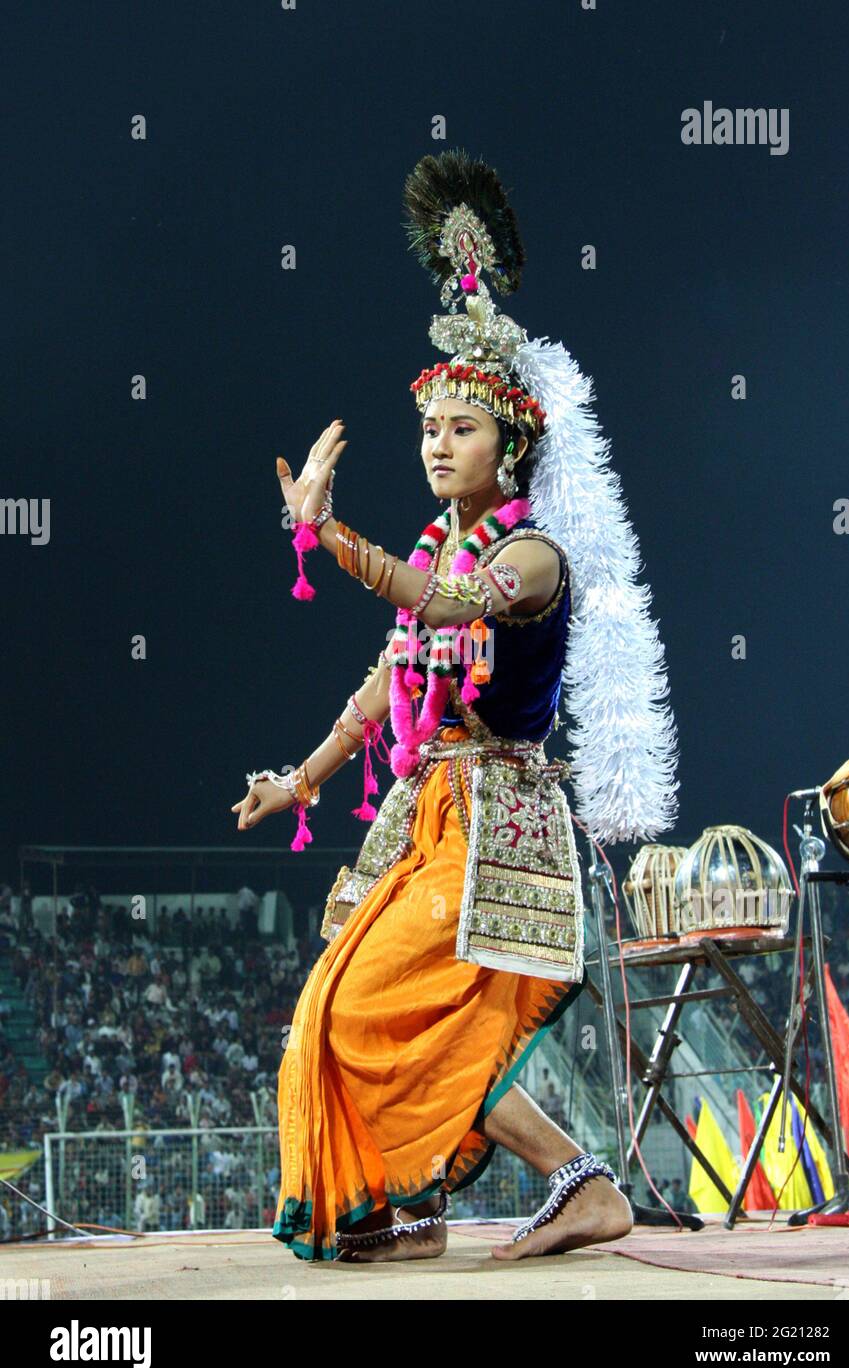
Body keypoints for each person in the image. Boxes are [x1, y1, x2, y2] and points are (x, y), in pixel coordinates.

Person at [231, 150, 679, 1264]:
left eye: (463, 426)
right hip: (425, 818)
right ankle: (409, 1197)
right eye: (430, 426)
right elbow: (390, 682)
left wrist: (327, 538)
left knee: (380, 1009)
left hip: (498, 825)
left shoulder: (529, 560)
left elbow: (444, 602)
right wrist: (303, 778)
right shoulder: (443, 539)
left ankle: (579, 1181)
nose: (437, 443)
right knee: (334, 1006)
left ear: (511, 443)